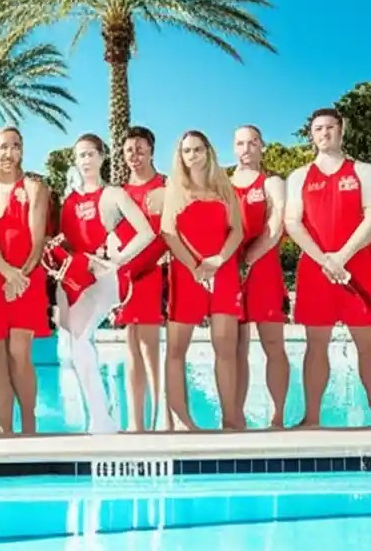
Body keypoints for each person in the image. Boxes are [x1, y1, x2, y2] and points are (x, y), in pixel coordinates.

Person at [49, 134, 156, 434]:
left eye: (90, 154)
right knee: (75, 342)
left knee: (81, 338)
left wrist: (119, 258)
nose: (85, 161)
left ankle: (102, 420)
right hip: (77, 277)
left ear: (102, 156)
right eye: (80, 156)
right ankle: (99, 413)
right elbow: (68, 241)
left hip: (106, 278)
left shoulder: (114, 195)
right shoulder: (68, 201)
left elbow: (146, 232)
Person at [284, 108, 371, 428]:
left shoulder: (363, 172)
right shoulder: (298, 177)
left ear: (341, 130)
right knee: (315, 345)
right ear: (311, 134)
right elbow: (292, 222)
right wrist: (325, 260)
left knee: (368, 347)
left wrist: (342, 257)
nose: (324, 133)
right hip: (316, 271)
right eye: (318, 129)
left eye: (330, 127)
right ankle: (313, 418)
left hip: (359, 268)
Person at [160, 130, 244, 430]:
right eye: (186, 151)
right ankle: (184, 420)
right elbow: (168, 233)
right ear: (180, 156)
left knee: (225, 346)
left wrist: (218, 261)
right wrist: (196, 267)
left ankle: (231, 418)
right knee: (176, 349)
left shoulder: (224, 189)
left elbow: (237, 231)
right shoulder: (174, 190)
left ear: (208, 151)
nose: (192, 155)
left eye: (197, 149)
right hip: (187, 275)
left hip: (223, 273)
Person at [0, 126, 51, 434]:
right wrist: (6, 273)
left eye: (15, 146)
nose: (8, 153)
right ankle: (5, 429)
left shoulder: (34, 188)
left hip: (26, 279)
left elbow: (37, 239)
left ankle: (29, 426)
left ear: (22, 151)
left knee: (19, 352)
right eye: (2, 147)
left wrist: (21, 276)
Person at [230, 125, 289, 428]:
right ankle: (236, 417)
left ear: (262, 146)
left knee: (273, 345)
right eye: (240, 143)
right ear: (233, 148)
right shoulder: (224, 186)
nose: (247, 148)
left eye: (253, 142)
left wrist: (250, 257)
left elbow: (277, 221)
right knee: (236, 348)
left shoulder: (272, 183)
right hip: (232, 272)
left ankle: (277, 417)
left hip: (263, 270)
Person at [114, 126, 169, 431]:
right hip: (127, 278)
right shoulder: (120, 193)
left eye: (140, 149)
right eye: (129, 150)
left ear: (151, 150)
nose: (135, 155)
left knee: (150, 348)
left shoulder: (166, 186)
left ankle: (161, 420)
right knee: (132, 349)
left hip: (153, 275)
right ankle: (136, 423)